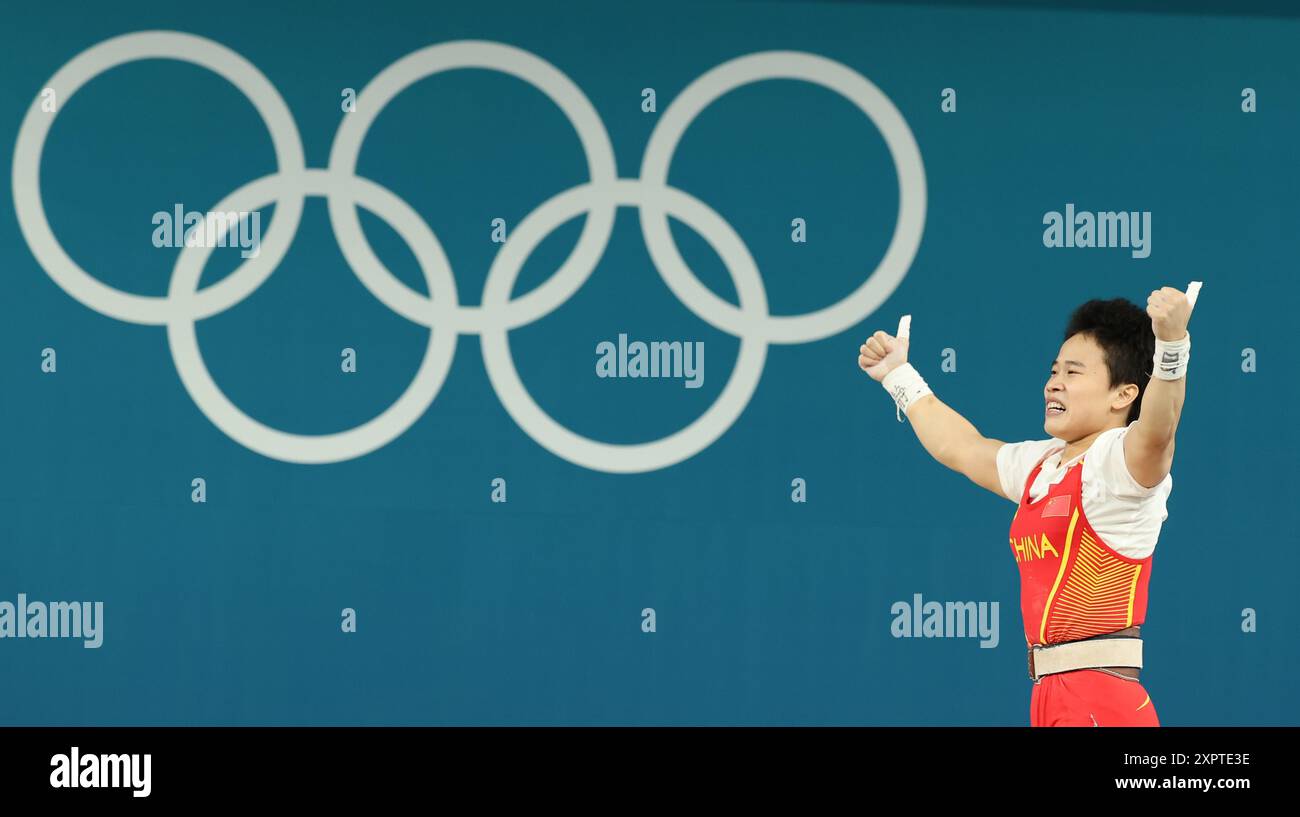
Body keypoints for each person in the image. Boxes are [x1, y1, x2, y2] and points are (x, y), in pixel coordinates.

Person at [857, 284, 1200, 726]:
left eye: (1073, 373)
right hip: (1049, 697)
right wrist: (897, 375)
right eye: (1054, 370)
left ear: (1123, 394)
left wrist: (1173, 343)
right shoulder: (1042, 464)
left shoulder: (1120, 464)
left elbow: (1159, 429)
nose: (1054, 382)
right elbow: (962, 447)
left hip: (1101, 702)